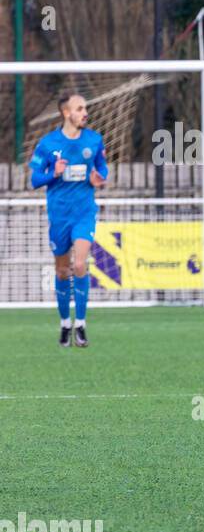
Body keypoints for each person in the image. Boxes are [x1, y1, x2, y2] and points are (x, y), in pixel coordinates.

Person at [29, 94, 109, 348]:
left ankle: (81, 324)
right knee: (62, 271)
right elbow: (34, 180)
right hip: (59, 215)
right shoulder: (47, 144)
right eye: (79, 108)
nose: (85, 112)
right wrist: (53, 173)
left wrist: (100, 178)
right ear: (66, 113)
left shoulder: (94, 140)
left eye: (85, 108)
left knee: (79, 264)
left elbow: (102, 168)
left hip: (84, 212)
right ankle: (65, 323)